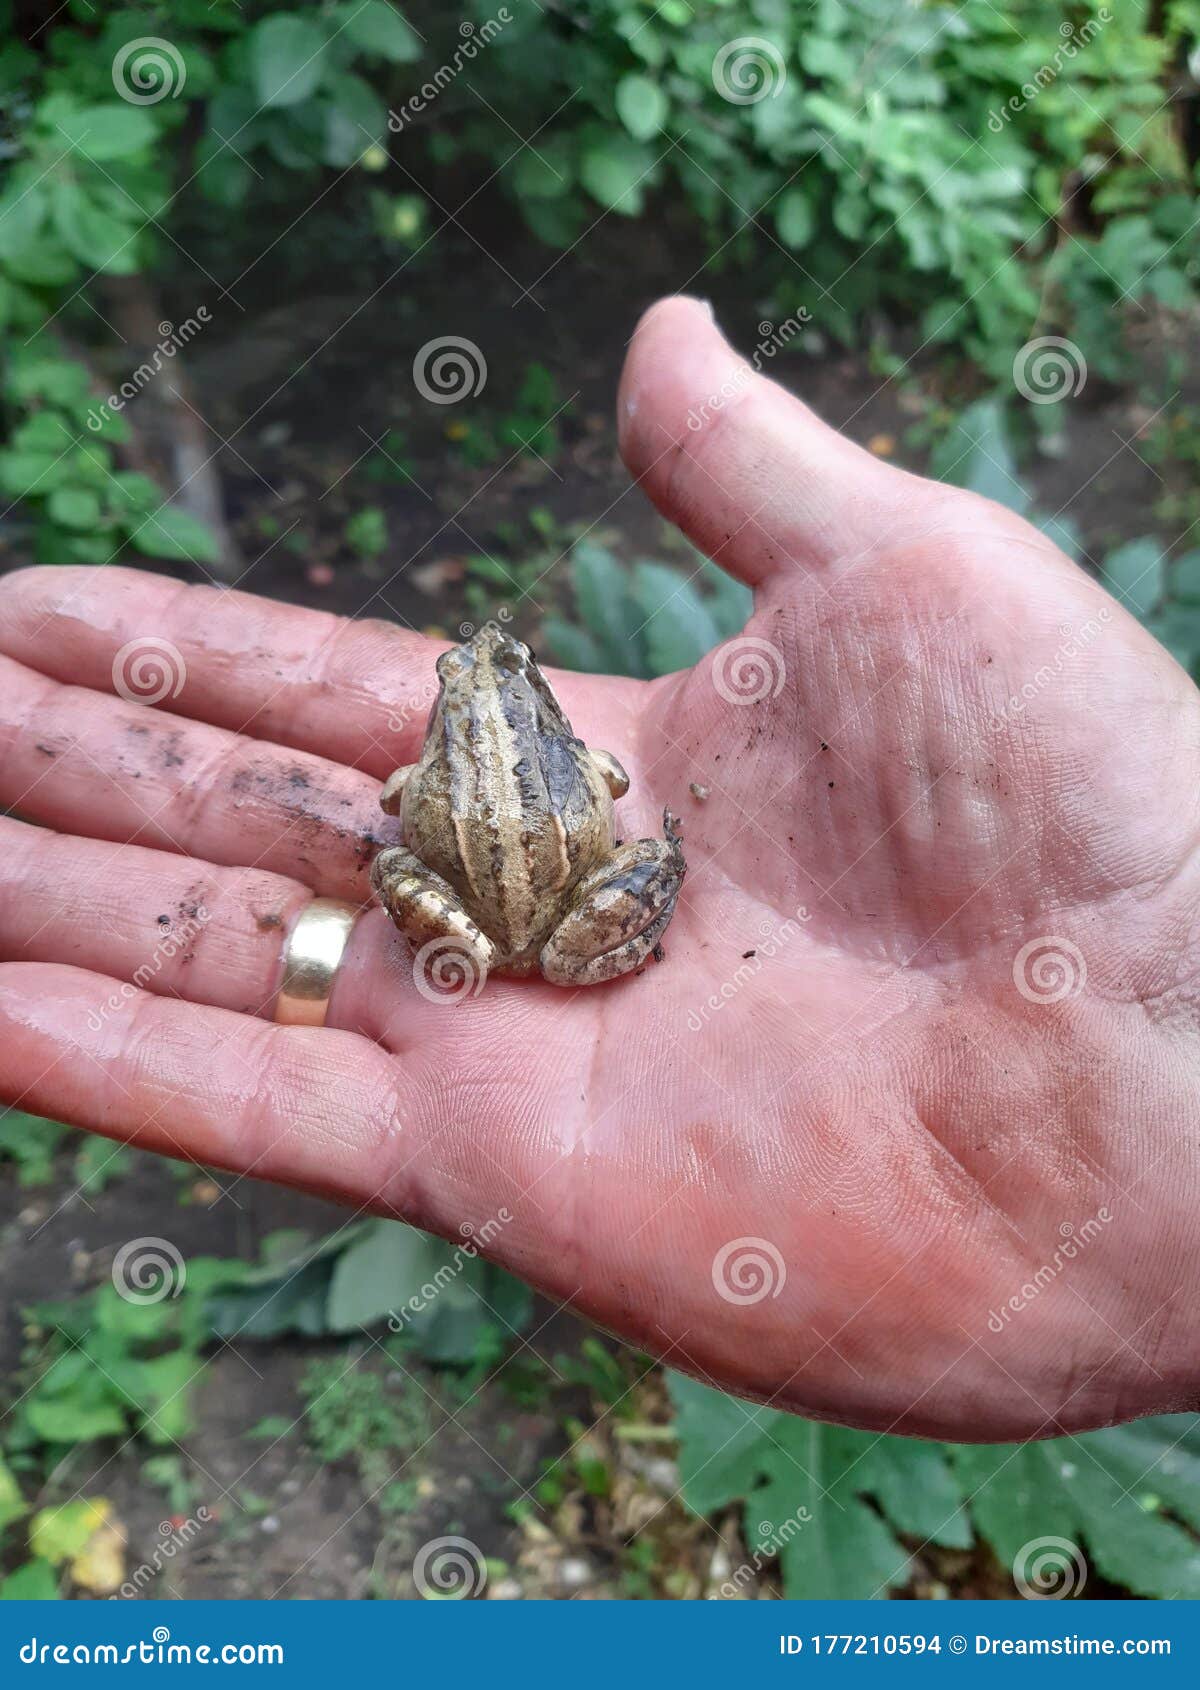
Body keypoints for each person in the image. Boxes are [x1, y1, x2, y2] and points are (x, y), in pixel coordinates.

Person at [0, 298, 1195, 1442]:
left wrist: (438, 903)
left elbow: (403, 813)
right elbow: (611, 791)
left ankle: (458, 946)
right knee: (618, 865)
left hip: (473, 927)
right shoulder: (565, 740)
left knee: (399, 871)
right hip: (572, 921)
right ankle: (579, 928)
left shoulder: (429, 772)